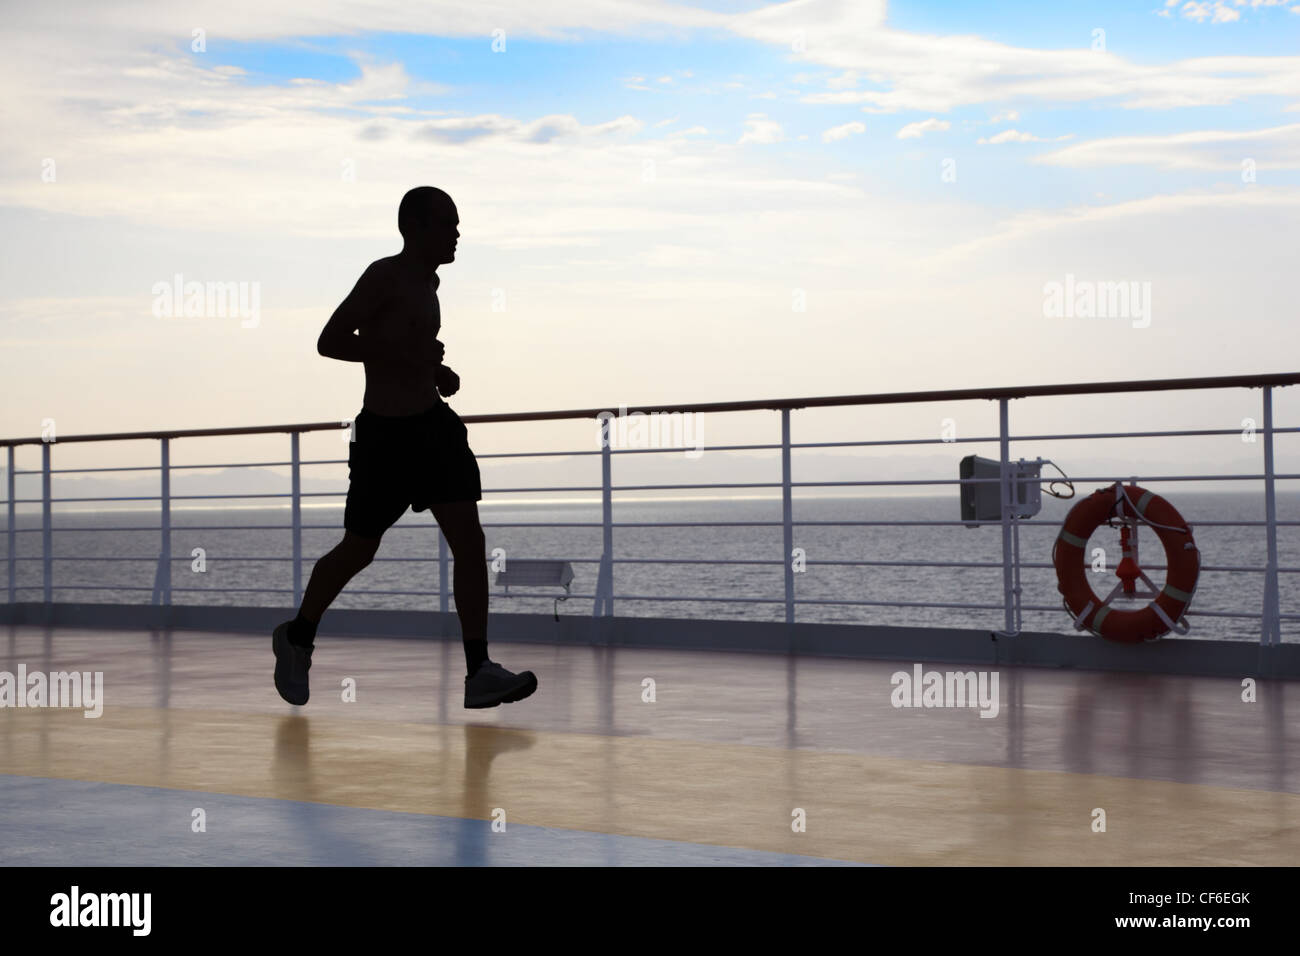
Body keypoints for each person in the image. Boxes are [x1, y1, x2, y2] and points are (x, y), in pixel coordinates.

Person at [272, 186, 537, 709]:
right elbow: (331, 341)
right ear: (414, 227)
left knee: (470, 542)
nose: (457, 234)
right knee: (359, 549)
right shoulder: (384, 275)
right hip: (386, 437)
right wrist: (407, 351)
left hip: (432, 430)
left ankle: (479, 668)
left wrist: (434, 370)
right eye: (447, 224)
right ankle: (297, 635)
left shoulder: (429, 283)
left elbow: (404, 352)